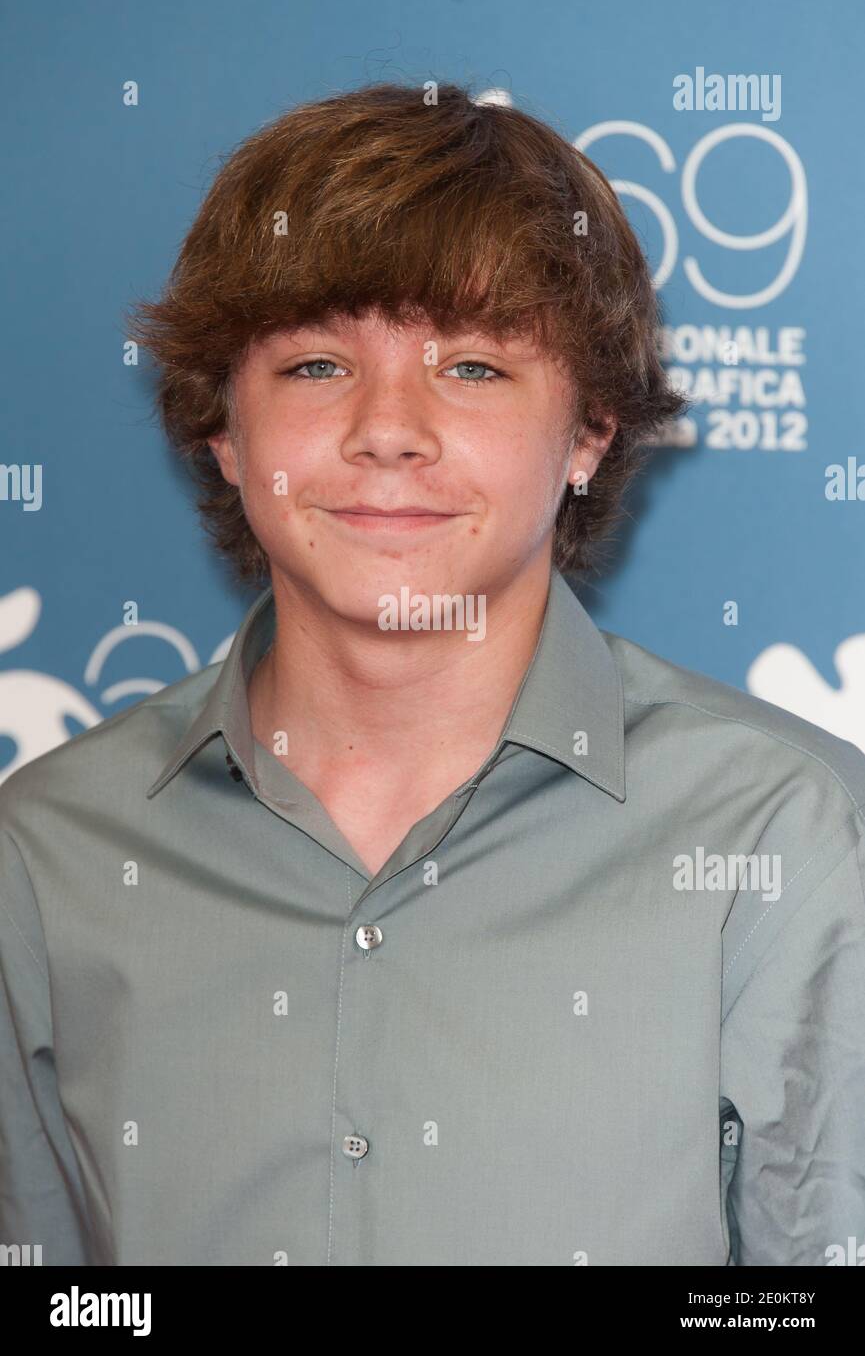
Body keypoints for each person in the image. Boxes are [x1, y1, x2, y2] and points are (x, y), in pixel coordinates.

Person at [1, 81, 863, 1267]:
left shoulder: (795, 830)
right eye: (313, 366)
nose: (388, 428)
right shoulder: (45, 857)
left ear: (590, 431)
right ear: (221, 426)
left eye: (472, 368)